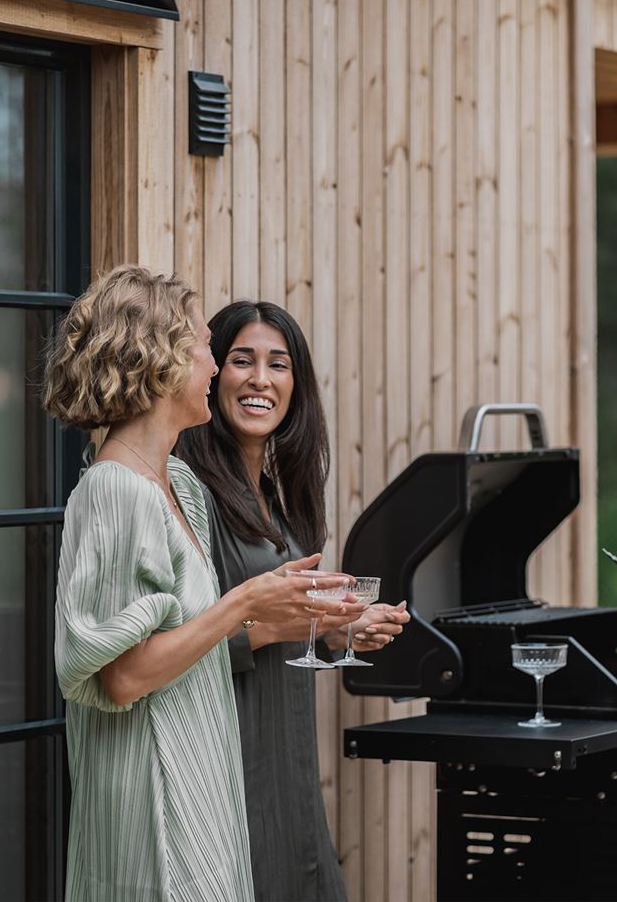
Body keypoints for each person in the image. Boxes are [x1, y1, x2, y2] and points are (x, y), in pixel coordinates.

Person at [44, 268, 340, 901]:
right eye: (205, 348)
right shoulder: (112, 492)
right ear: (156, 361)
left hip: (203, 795)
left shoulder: (181, 490)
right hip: (150, 802)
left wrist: (295, 612)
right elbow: (119, 676)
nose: (214, 366)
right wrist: (242, 605)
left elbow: (193, 639)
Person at [176, 299, 410, 902]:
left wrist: (338, 630)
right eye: (240, 360)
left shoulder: (278, 499)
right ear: (210, 374)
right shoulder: (187, 492)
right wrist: (280, 626)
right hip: (225, 765)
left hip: (290, 765)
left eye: (279, 364)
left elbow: (283, 620)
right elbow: (169, 647)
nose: (261, 379)